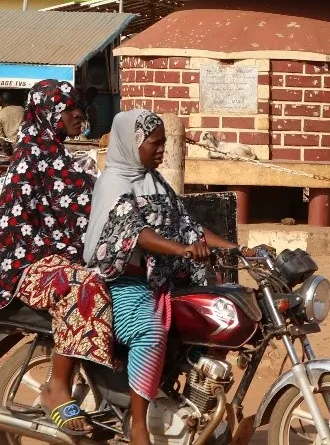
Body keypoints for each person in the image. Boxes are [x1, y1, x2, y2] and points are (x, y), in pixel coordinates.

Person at [83, 110, 239, 445]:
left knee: (211, 322)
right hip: (121, 283)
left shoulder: (154, 181)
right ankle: (138, 425)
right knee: (150, 333)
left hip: (158, 281)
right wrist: (181, 250)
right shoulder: (113, 183)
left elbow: (189, 227)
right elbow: (135, 232)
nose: (161, 150)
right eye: (154, 143)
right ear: (132, 142)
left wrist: (236, 249)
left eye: (164, 143)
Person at [0, 80, 107, 436]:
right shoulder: (29, 158)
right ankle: (57, 388)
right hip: (22, 267)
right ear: (49, 113)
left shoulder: (58, 156)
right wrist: (69, 252)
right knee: (84, 286)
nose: (79, 114)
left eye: (78, 106)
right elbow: (18, 231)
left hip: (55, 257)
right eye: (69, 108)